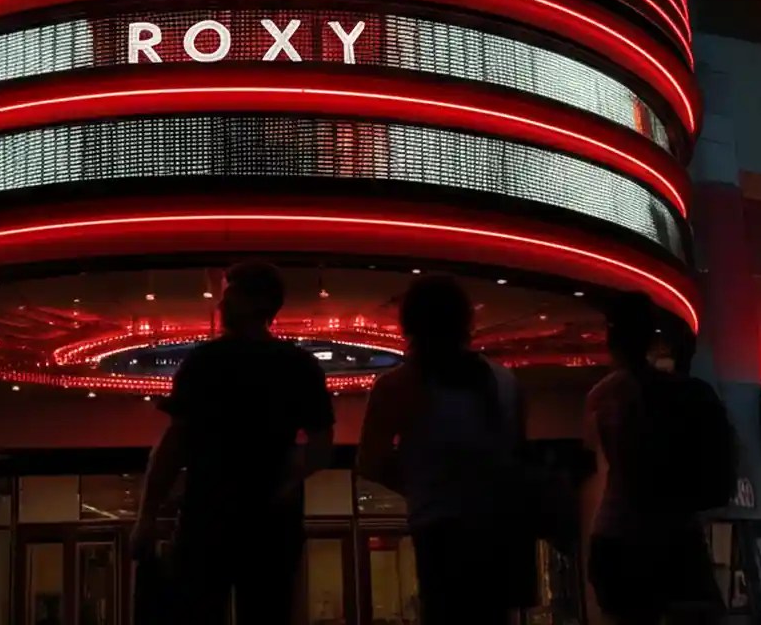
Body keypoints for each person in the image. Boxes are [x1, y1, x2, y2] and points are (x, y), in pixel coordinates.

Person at [130, 261, 335, 625]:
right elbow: (320, 447)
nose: (221, 306)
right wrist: (284, 483)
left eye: (229, 297)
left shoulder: (206, 362)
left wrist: (147, 514)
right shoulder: (299, 365)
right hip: (272, 525)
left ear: (253, 302)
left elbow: (174, 444)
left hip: (207, 517)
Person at [356, 275, 536, 625]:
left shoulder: (398, 385)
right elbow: (517, 453)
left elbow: (369, 462)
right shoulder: (504, 381)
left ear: (409, 324)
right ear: (466, 321)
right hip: (500, 530)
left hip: (440, 532)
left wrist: (421, 481)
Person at [586, 293, 725, 625]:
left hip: (617, 537)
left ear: (611, 337)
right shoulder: (693, 395)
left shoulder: (603, 396)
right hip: (674, 535)